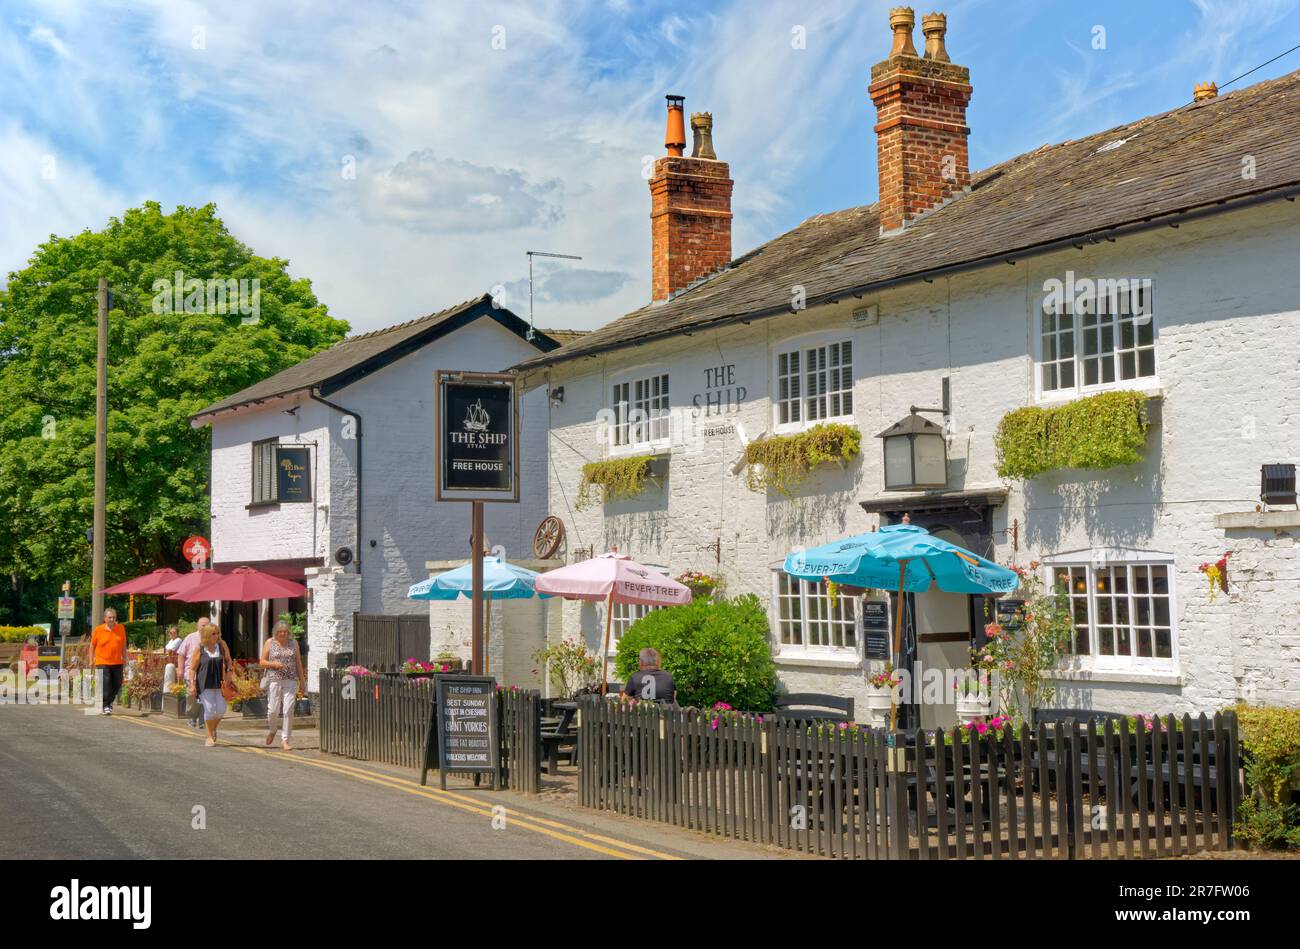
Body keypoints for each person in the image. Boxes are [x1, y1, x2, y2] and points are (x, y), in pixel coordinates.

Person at [259, 619, 305, 751]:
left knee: (288, 709)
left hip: (290, 680)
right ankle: (273, 730)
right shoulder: (270, 642)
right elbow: (262, 661)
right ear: (275, 633)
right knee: (273, 710)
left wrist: (302, 681)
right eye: (280, 632)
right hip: (274, 679)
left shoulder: (293, 643)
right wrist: (273, 664)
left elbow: (298, 663)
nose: (283, 634)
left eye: (285, 632)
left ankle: (285, 739)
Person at [187, 623, 232, 747]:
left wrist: (229, 672)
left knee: (221, 710)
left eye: (217, 633)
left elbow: (228, 660)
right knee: (210, 710)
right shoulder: (200, 648)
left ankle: (212, 729)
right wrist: (192, 684)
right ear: (207, 635)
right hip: (205, 683)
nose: (216, 635)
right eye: (213, 633)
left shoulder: (222, 646)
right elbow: (192, 668)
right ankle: (209, 736)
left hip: (220, 683)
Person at [90, 608, 128, 714]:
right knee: (106, 684)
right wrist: (91, 659)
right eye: (110, 617)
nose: (112, 619)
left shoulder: (121, 628)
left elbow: (123, 644)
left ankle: (108, 702)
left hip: (117, 662)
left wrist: (125, 658)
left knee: (117, 684)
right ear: (105, 618)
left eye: (114, 617)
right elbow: (92, 645)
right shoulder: (98, 630)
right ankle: (105, 705)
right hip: (102, 662)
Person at [175, 617, 210, 729]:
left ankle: (202, 720)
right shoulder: (190, 638)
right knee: (192, 695)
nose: (205, 627)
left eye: (207, 625)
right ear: (197, 626)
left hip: (206, 674)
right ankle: (192, 717)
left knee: (204, 697)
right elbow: (181, 654)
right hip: (191, 673)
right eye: (202, 625)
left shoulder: (212, 638)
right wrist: (180, 669)